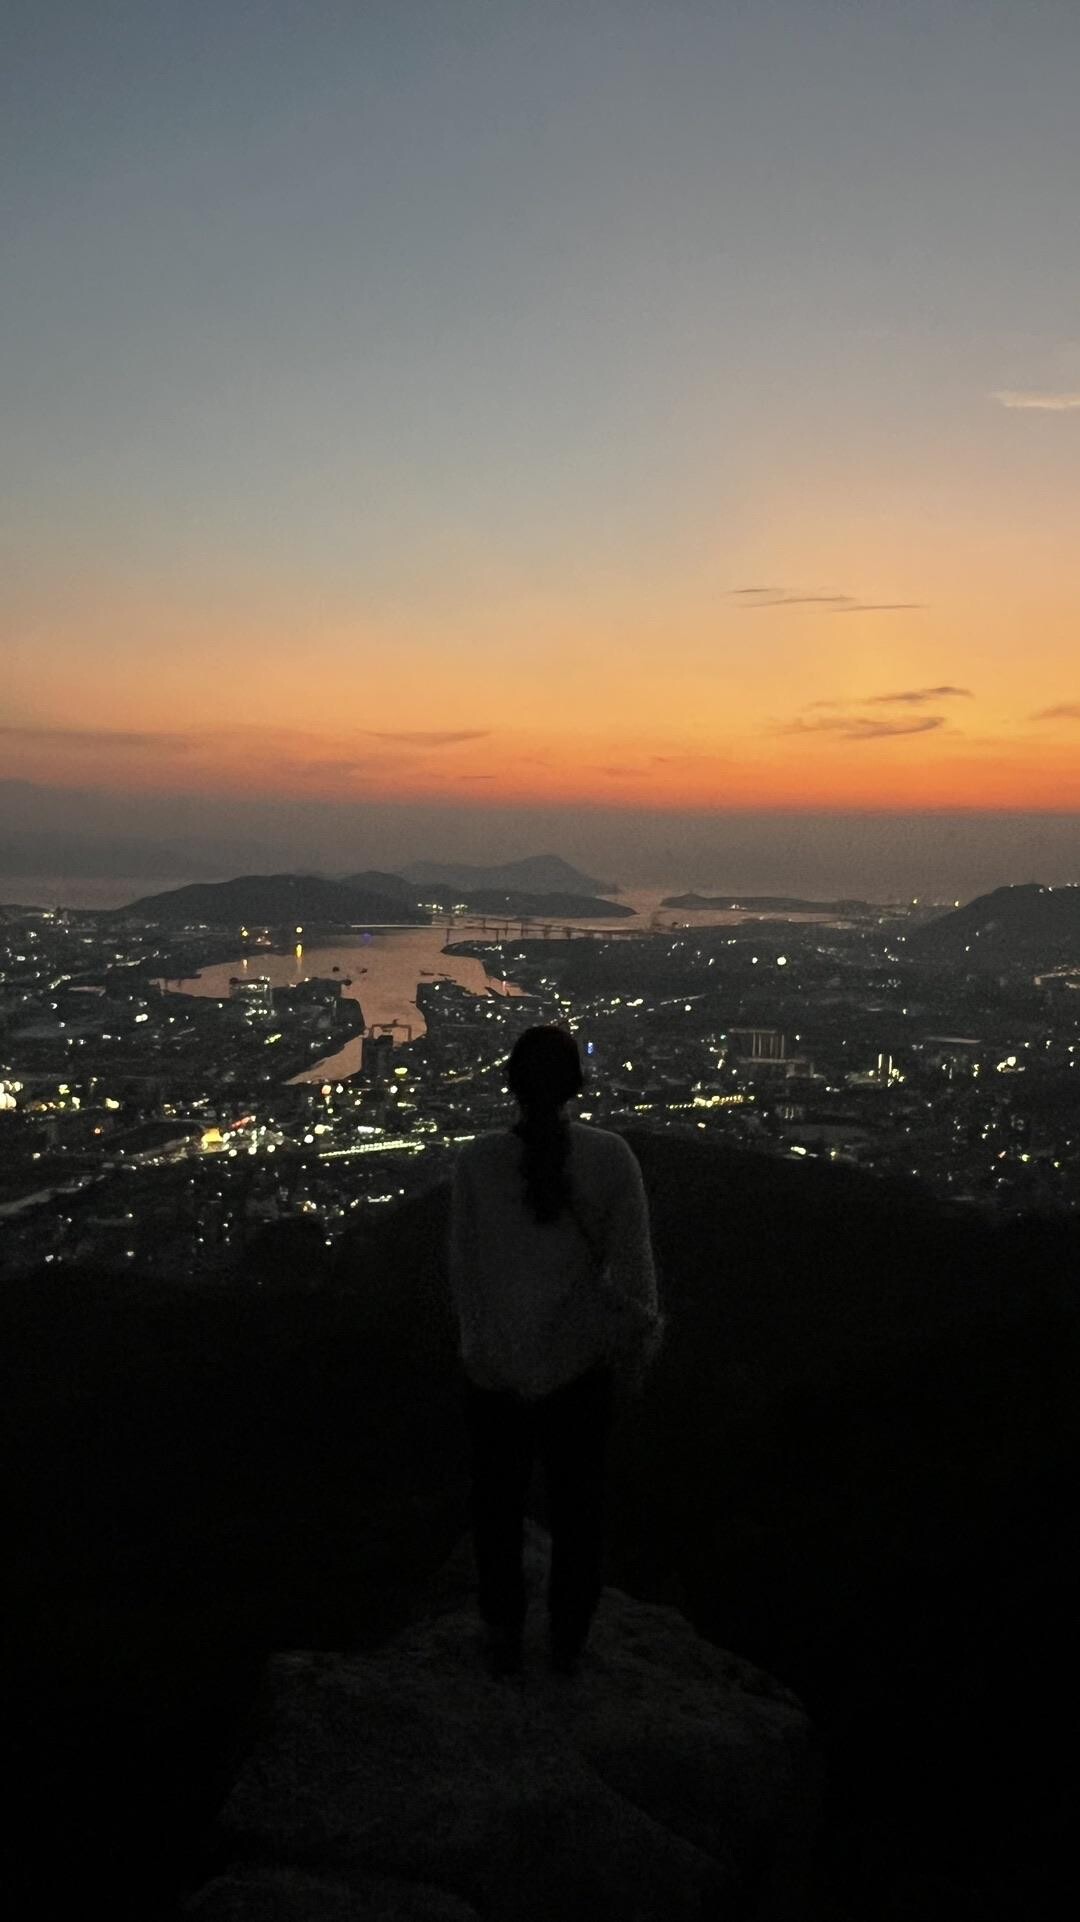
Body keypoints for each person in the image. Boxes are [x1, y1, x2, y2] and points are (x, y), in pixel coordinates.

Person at [448, 1025, 664, 1681]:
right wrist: (630, 1363)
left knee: (497, 1512)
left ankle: (504, 1636)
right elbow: (634, 1286)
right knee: (578, 1515)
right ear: (577, 1086)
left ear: (510, 1084)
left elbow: (465, 1277)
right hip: (581, 1373)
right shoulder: (612, 1158)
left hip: (495, 1374)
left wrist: (485, 1354)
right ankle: (567, 1642)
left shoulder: (477, 1163)